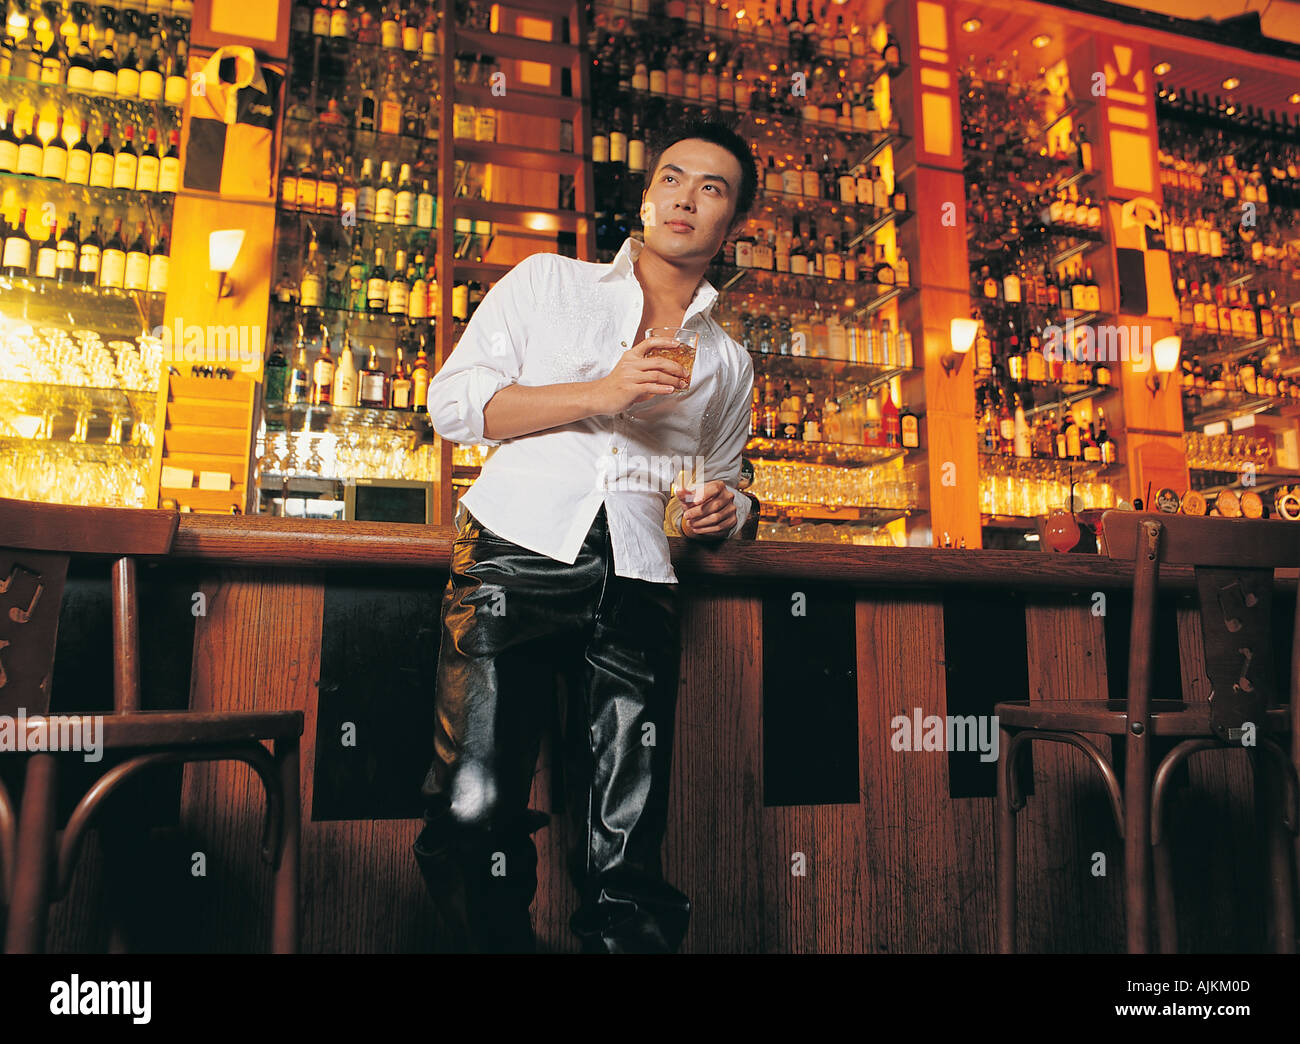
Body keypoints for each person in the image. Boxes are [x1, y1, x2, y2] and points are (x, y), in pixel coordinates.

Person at [412, 119, 759, 954]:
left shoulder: (727, 361)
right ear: (646, 196)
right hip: (514, 553)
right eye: (673, 177)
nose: (686, 196)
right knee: (474, 806)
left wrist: (726, 514)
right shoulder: (547, 283)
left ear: (732, 225)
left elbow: (728, 478)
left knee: (627, 833)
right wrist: (600, 390)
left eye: (712, 189)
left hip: (639, 576)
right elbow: (456, 406)